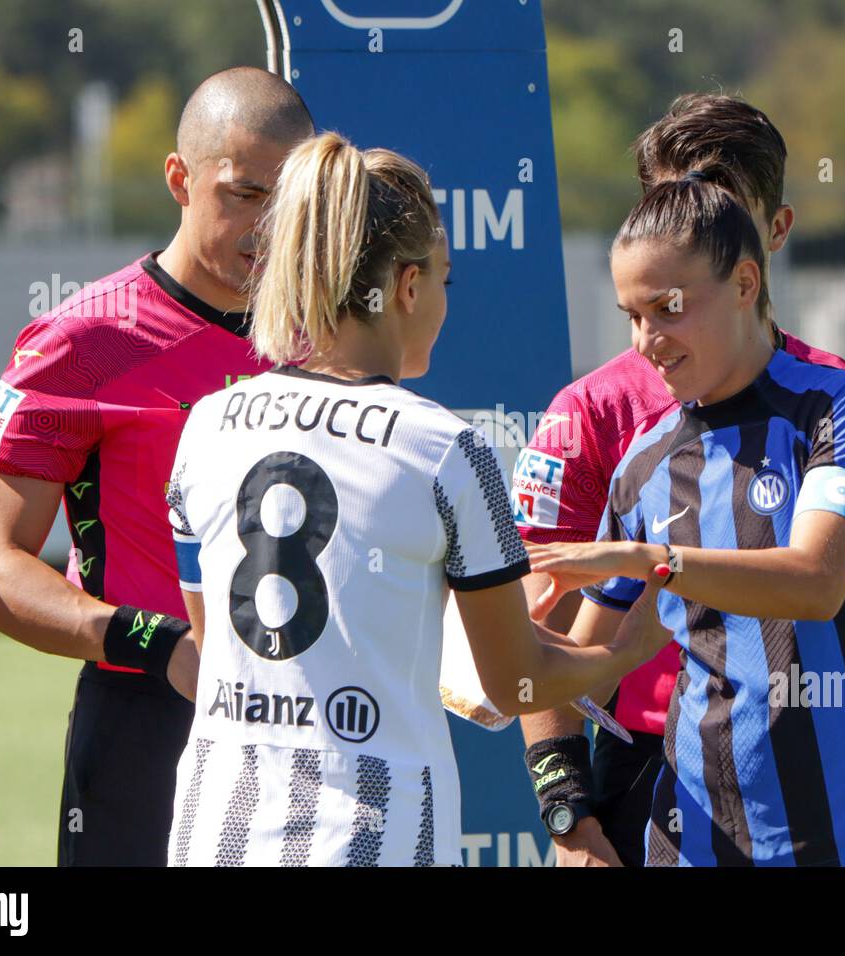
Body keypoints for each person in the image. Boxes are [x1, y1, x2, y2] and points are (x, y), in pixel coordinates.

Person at [162, 132, 671, 867]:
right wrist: (629, 647)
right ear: (406, 286)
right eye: (444, 280)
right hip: (374, 840)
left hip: (213, 834)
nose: (442, 301)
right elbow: (517, 681)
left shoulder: (206, 424)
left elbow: (223, 650)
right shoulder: (443, 448)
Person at [515, 94, 845, 867]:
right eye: (632, 313)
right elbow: (565, 662)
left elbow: (835, 589)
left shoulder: (838, 401)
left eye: (668, 307)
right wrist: (560, 798)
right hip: (677, 803)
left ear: (752, 263)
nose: (647, 339)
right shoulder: (624, 441)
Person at [0, 67, 314, 866]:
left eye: (288, 202)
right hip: (148, 721)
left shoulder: (326, 336)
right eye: (245, 195)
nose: (267, 227)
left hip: (311, 721)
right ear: (179, 179)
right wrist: (163, 646)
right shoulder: (83, 341)